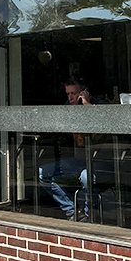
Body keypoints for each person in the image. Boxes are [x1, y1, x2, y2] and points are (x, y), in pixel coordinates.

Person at [38, 82, 92, 221]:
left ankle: (88, 215)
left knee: (86, 177)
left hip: (97, 160)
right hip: (78, 160)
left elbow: (99, 125)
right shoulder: (67, 109)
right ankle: (72, 211)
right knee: (43, 173)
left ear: (83, 92)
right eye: (67, 94)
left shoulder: (94, 105)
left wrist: (85, 104)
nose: (70, 97)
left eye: (73, 93)